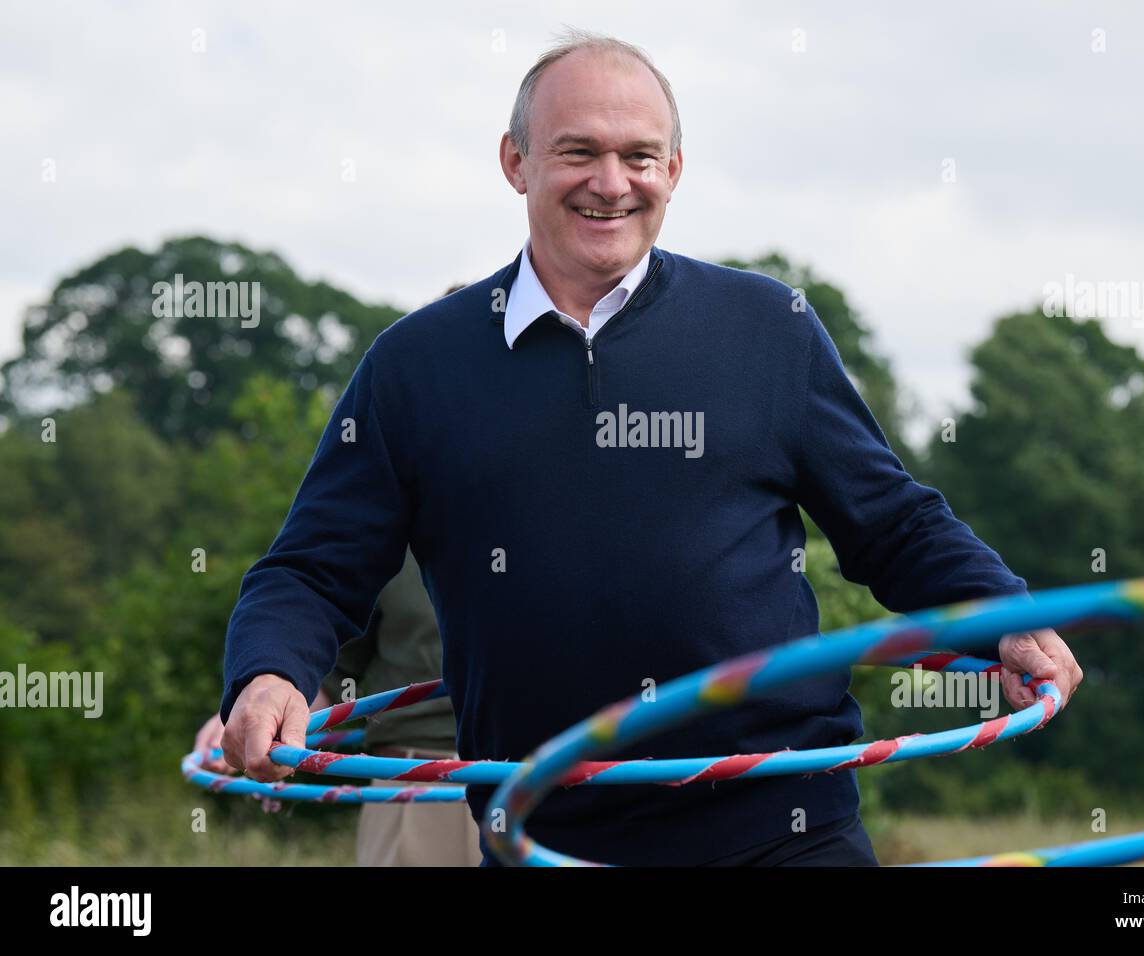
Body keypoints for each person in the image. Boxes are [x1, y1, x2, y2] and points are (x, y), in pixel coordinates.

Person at [218, 29, 1083, 867]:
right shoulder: (415, 366)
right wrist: (269, 673)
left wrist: (1000, 616)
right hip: (543, 837)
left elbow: (891, 523)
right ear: (516, 162)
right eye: (578, 152)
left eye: (639, 155)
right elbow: (312, 569)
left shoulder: (766, 328)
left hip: (783, 827)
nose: (612, 183)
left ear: (674, 169)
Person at [194, 548, 481, 866]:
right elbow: (334, 674)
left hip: (524, 780)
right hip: (410, 785)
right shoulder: (392, 538)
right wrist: (261, 708)